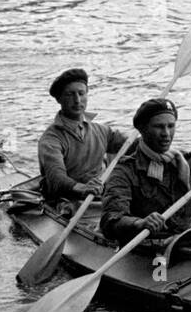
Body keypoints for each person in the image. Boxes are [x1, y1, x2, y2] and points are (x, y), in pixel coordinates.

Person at [100, 98, 191, 246]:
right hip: (148, 244)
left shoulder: (184, 162)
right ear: (142, 129)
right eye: (159, 127)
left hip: (187, 237)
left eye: (171, 126)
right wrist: (140, 223)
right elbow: (110, 221)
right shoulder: (124, 170)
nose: (166, 133)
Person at [37, 68, 129, 209]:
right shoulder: (51, 139)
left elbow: (132, 145)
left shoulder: (102, 131)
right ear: (59, 99)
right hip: (64, 201)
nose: (77, 100)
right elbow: (56, 177)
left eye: (81, 93)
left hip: (99, 197)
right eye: (70, 94)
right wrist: (81, 188)